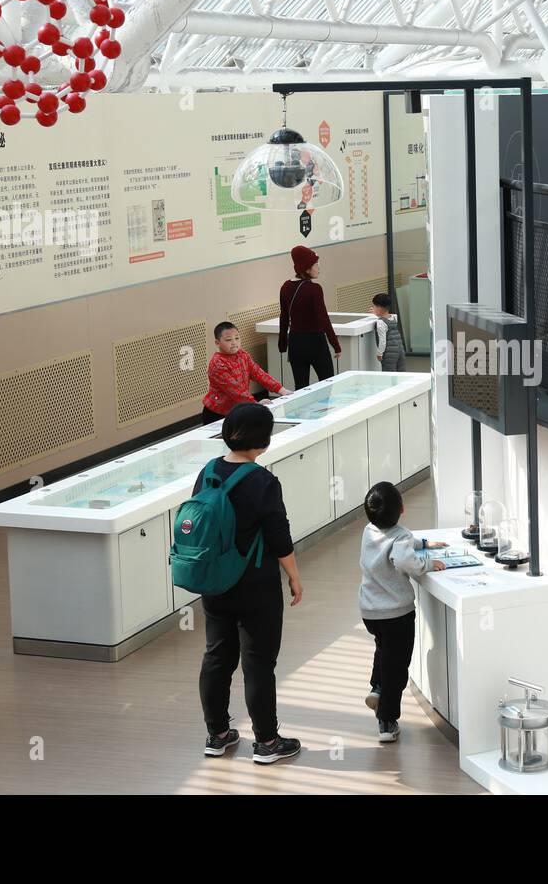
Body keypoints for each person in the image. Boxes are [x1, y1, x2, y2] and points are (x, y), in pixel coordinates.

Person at [196, 403, 304, 766]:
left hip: (213, 582)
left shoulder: (208, 472)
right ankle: (268, 742)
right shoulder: (263, 481)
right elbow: (278, 537)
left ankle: (217, 734)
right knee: (258, 663)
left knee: (217, 656)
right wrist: (293, 575)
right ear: (264, 440)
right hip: (254, 585)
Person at [358, 481, 447, 742]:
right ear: (402, 510)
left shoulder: (368, 530)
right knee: (397, 665)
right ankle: (387, 721)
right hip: (396, 614)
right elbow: (404, 558)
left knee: (383, 649)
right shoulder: (401, 538)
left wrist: (424, 543)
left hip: (370, 611)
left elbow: (400, 542)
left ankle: (377, 687)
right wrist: (430, 563)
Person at [278, 245, 341, 389]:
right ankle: (327, 412)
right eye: (316, 264)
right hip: (315, 342)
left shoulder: (285, 287)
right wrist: (335, 344)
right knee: (327, 384)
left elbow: (284, 316)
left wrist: (282, 343)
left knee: (301, 388)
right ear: (306, 268)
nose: (319, 268)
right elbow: (323, 319)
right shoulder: (314, 289)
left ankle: (301, 412)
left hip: (295, 343)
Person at [202, 321, 284, 425]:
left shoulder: (243, 355)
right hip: (217, 414)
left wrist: (280, 389)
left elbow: (258, 373)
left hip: (238, 409)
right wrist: (255, 405)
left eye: (237, 338)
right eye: (228, 340)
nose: (234, 342)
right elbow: (236, 391)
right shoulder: (218, 364)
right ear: (217, 343)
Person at [370, 293, 406, 372]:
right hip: (400, 350)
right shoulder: (393, 318)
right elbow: (383, 315)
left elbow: (382, 340)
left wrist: (380, 353)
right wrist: (377, 313)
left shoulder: (380, 323)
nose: (373, 308)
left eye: (374, 306)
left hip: (389, 354)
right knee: (401, 372)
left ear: (379, 308)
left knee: (389, 374)